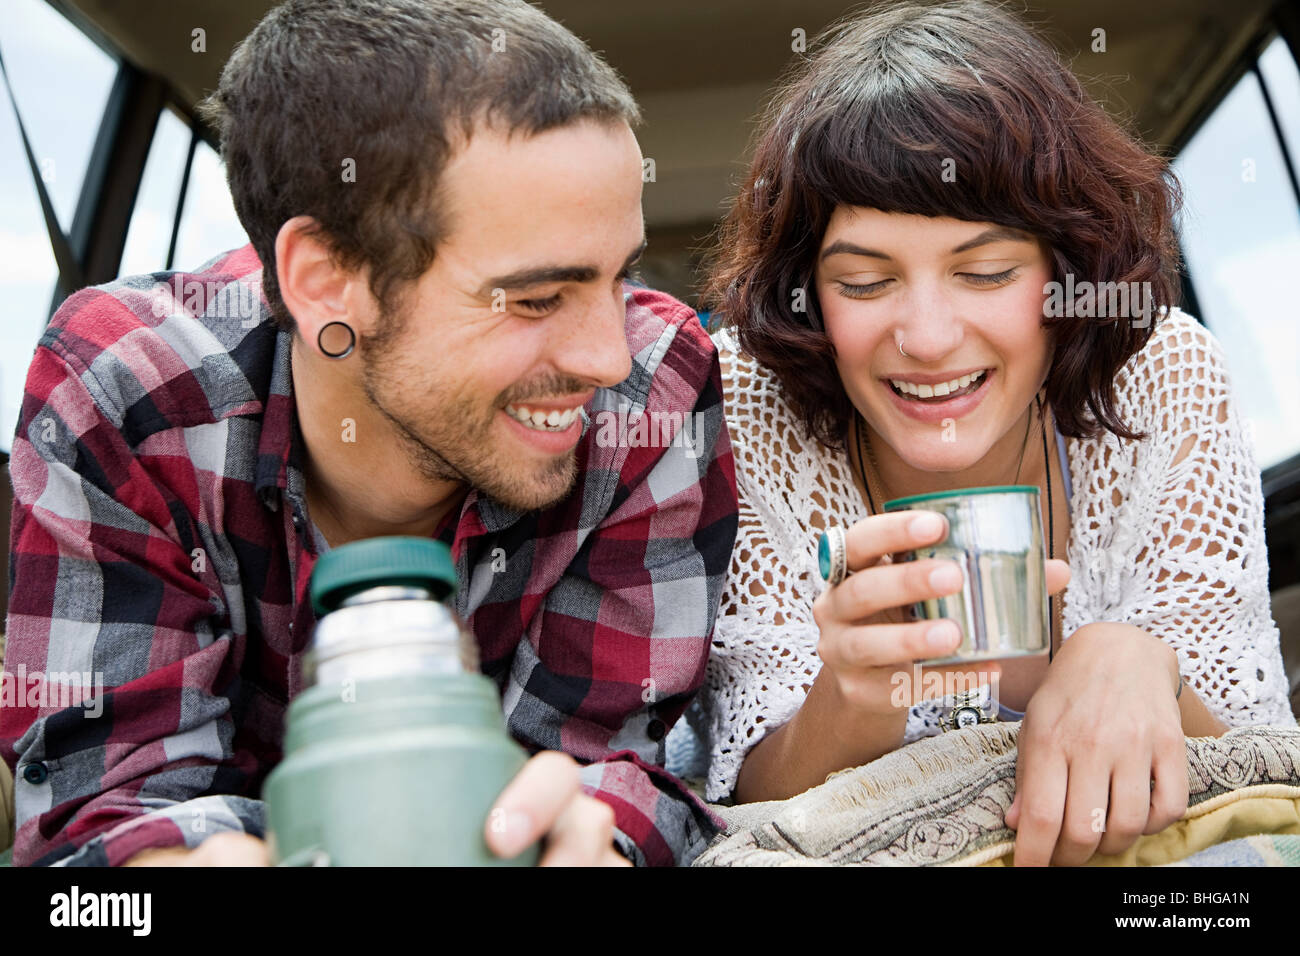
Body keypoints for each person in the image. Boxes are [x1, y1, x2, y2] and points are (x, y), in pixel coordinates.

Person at [0, 0, 737, 867]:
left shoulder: (654, 393)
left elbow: (592, 767)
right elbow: (109, 811)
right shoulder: (127, 392)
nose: (607, 357)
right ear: (325, 284)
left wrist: (586, 833)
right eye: (537, 299)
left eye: (620, 278)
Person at [692, 0, 1295, 866]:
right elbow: (753, 812)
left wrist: (1138, 661)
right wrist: (855, 697)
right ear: (809, 296)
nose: (928, 338)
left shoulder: (1164, 372)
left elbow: (1261, 788)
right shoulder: (746, 405)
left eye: (984, 272)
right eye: (863, 283)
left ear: (1064, 270)